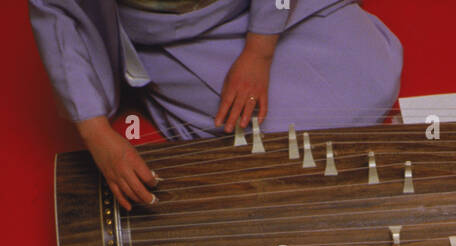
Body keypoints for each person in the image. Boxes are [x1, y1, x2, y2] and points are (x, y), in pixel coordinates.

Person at [29, 1, 403, 210]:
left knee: (374, 81)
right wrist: (94, 130)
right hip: (168, 31)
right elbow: (56, 12)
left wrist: (259, 50)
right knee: (268, 145)